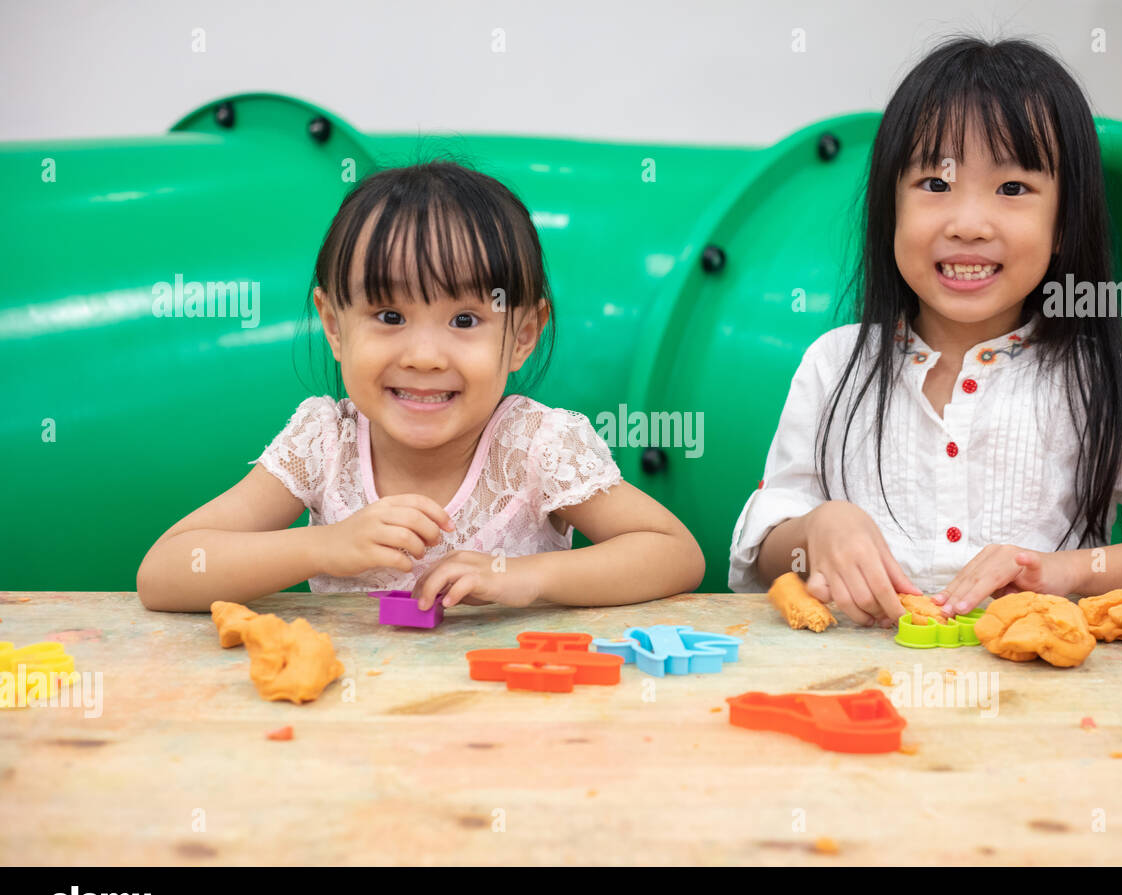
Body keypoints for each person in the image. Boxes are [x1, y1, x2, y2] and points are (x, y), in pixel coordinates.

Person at [729, 36, 1122, 627]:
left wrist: (1065, 570)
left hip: (1048, 698)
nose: (968, 225)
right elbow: (763, 553)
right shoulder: (833, 364)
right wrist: (816, 529)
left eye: (1013, 189)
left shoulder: (1108, 382)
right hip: (860, 689)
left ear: (1065, 220)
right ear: (889, 206)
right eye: (936, 185)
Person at [139, 161, 704, 612]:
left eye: (464, 321)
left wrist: (527, 577)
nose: (425, 357)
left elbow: (674, 554)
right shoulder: (323, 444)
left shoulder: (536, 446)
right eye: (389, 316)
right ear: (334, 326)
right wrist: (322, 546)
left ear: (522, 335)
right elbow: (164, 573)